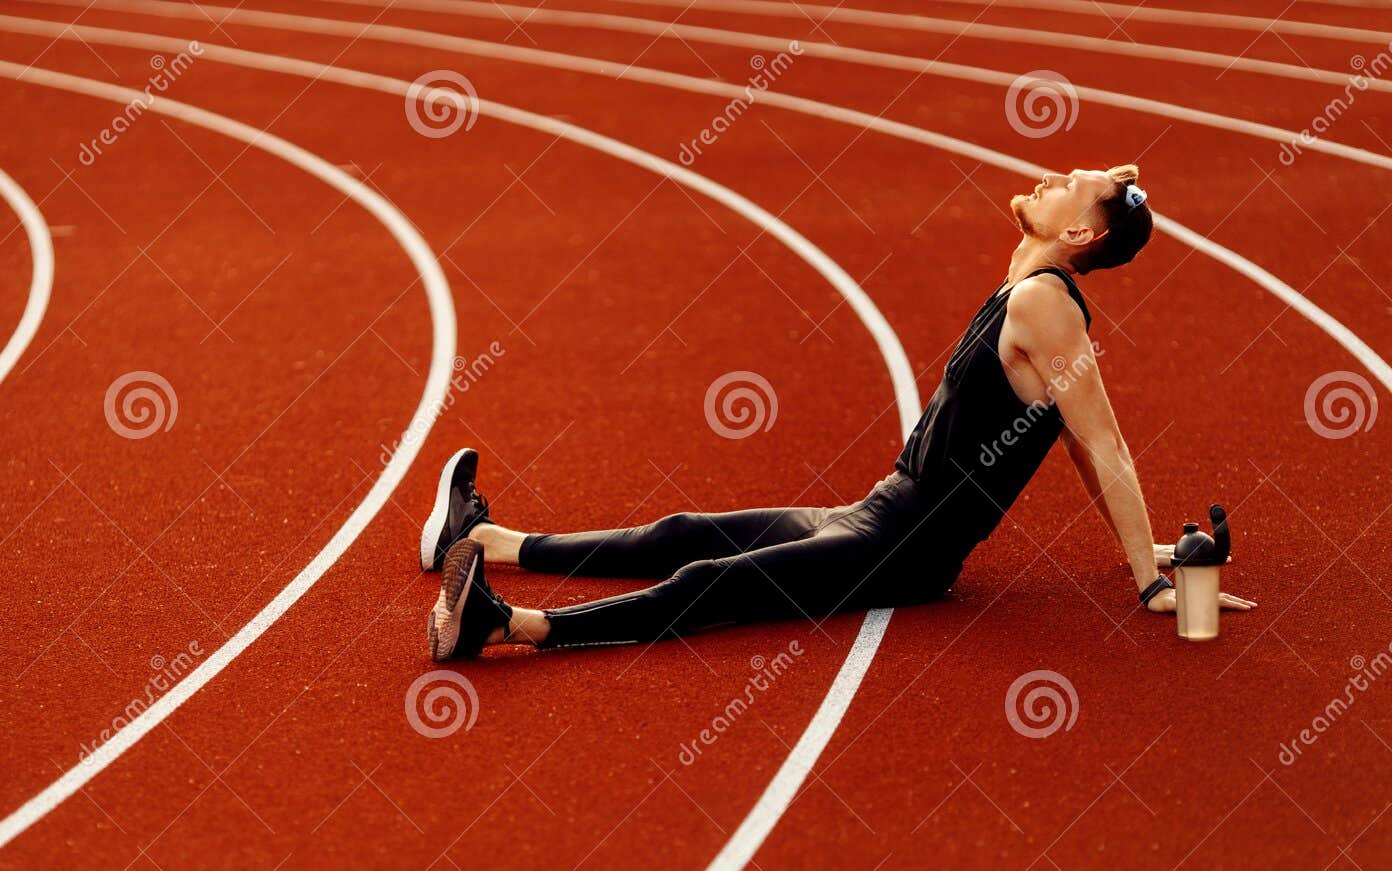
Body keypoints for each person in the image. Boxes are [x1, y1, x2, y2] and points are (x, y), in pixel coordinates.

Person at [419, 165, 1254, 660]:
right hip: (880, 508)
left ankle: (508, 626)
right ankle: (489, 541)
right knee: (685, 529)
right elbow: (1075, 437)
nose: (1050, 178)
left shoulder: (1048, 307)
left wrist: (1149, 579)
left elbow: (1099, 440)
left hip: (904, 552)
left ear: (1078, 237)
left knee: (712, 584)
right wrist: (1112, 192)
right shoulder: (1028, 285)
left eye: (1070, 184)